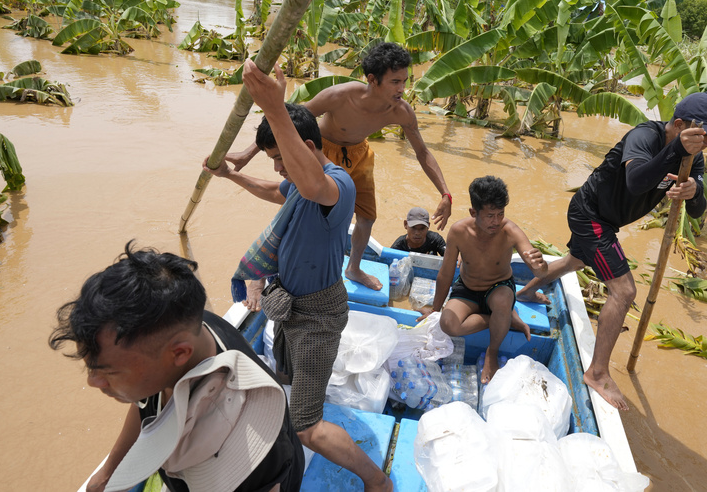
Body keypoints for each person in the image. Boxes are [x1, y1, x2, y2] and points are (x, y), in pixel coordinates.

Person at [204, 59, 392, 492]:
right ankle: (294, 407)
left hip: (318, 318)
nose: (277, 168)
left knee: (308, 426)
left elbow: (307, 187)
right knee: (284, 377)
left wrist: (274, 107)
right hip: (287, 306)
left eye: (279, 158)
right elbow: (278, 190)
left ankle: (377, 481)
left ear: (308, 146)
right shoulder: (298, 179)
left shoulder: (337, 186)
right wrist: (232, 175)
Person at [515, 92, 707, 411]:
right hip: (590, 213)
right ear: (679, 125)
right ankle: (597, 372)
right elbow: (635, 182)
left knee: (574, 262)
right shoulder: (644, 136)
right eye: (704, 136)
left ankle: (525, 293)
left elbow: (695, 211)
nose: (706, 145)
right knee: (624, 291)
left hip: (608, 221)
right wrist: (676, 150)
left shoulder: (695, 157)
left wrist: (693, 194)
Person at [49, 243, 303, 492]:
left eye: (108, 372)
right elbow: (144, 406)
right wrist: (109, 471)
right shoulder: (183, 330)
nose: (93, 382)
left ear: (180, 353)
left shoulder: (250, 448)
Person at [224, 42, 453, 291]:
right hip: (321, 151)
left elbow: (422, 152)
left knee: (367, 217)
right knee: (293, 206)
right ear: (373, 80)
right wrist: (248, 153)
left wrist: (445, 193)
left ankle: (353, 268)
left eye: (404, 81)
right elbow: (289, 120)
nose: (402, 89)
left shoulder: (401, 112)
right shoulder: (341, 96)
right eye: (395, 82)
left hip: (360, 154)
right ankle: (264, 268)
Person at [417, 176, 547, 384]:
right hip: (468, 288)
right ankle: (504, 319)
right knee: (448, 324)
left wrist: (540, 266)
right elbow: (446, 272)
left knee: (503, 300)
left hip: (499, 287)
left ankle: (491, 352)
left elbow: (539, 270)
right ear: (473, 212)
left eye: (500, 214)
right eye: (489, 216)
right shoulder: (459, 231)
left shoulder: (510, 231)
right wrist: (435, 309)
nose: (496, 221)